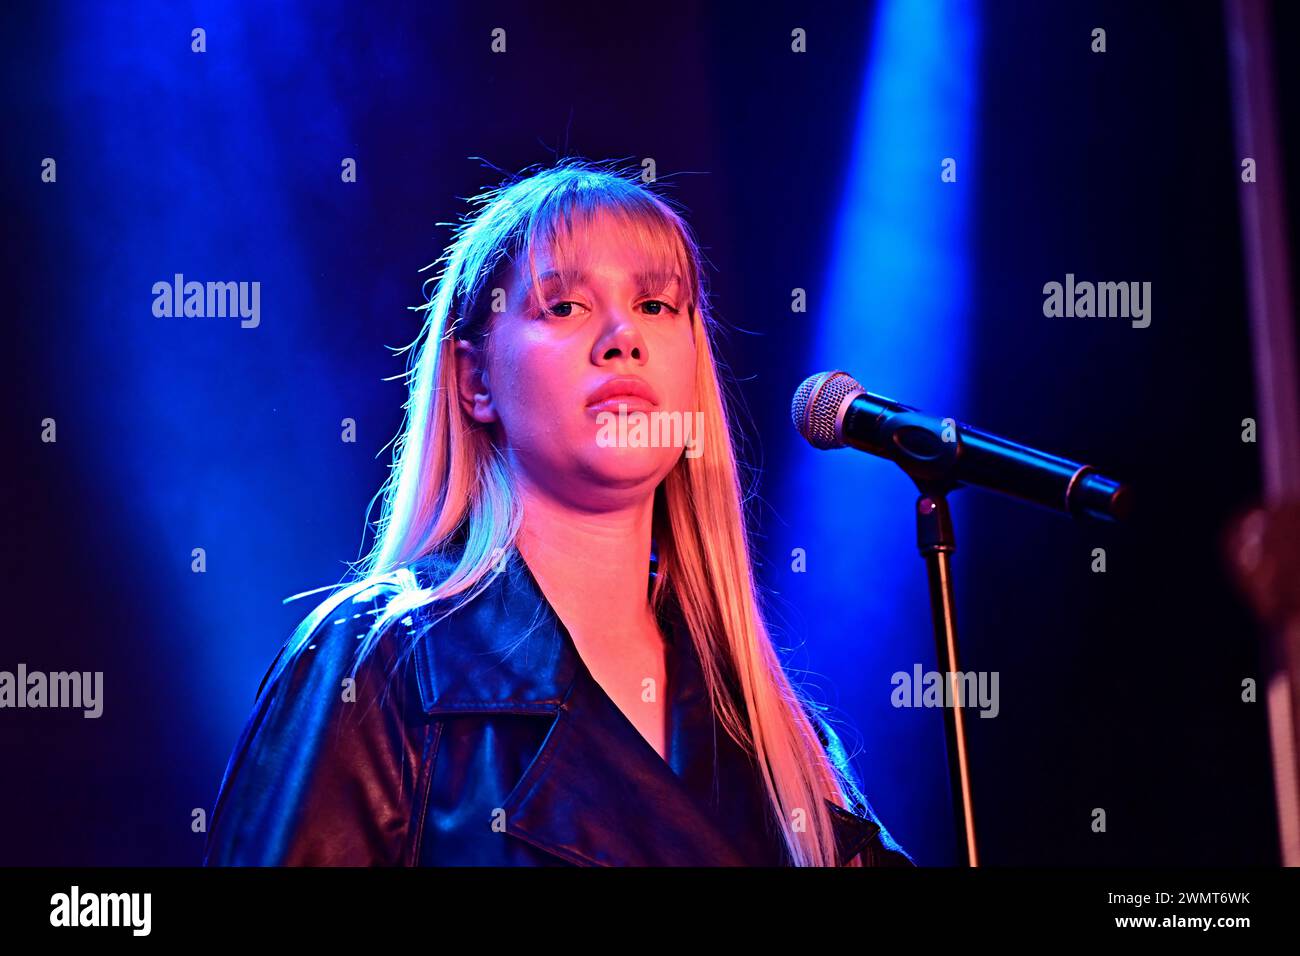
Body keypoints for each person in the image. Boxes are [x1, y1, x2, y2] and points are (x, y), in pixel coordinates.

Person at [203, 158, 914, 867]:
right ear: (475, 380)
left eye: (656, 306)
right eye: (565, 306)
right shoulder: (379, 664)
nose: (622, 337)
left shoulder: (780, 740)